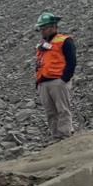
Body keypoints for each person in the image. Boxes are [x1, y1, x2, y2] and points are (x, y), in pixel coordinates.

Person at [34, 11, 76, 139]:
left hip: (57, 81)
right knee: (50, 112)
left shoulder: (65, 40)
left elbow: (72, 61)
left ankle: (65, 134)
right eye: (41, 28)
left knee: (62, 109)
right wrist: (38, 82)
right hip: (43, 82)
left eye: (44, 28)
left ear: (53, 27)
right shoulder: (41, 45)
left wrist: (64, 79)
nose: (42, 31)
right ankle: (56, 136)